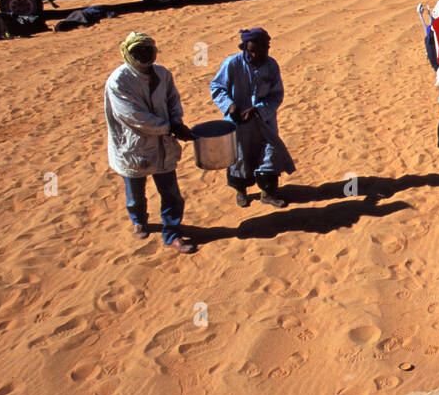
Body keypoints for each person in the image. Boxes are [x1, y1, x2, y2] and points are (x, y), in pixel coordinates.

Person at [105, 31, 197, 253]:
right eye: (138, 51)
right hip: (133, 146)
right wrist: (169, 127)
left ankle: (173, 233)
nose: (145, 54)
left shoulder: (162, 74)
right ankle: (139, 220)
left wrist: (176, 121)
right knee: (135, 193)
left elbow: (173, 100)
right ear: (128, 53)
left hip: (162, 145)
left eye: (148, 49)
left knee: (171, 193)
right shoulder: (118, 81)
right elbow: (132, 116)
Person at [210, 27, 296, 208]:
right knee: (240, 157)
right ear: (244, 49)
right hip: (238, 123)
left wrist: (258, 110)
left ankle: (268, 193)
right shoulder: (232, 64)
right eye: (252, 51)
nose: (257, 54)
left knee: (269, 153)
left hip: (264, 121)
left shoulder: (272, 66)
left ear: (268, 47)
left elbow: (276, 95)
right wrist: (230, 105)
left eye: (262, 49)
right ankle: (241, 192)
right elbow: (217, 88)